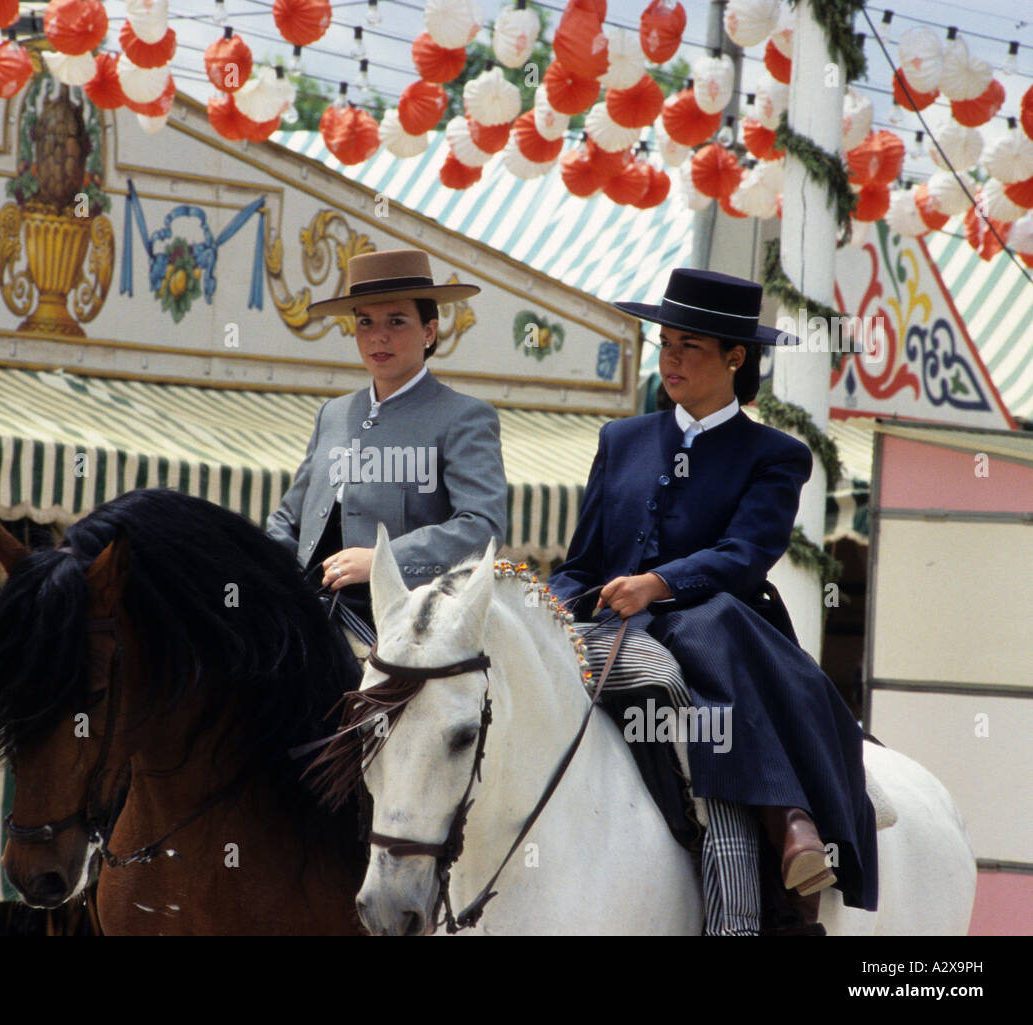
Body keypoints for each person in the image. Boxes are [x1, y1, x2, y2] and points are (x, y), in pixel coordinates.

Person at [549, 268, 878, 936]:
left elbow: (743, 555)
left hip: (719, 634)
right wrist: (540, 606)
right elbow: (581, 564)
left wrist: (657, 584)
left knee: (712, 620)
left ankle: (782, 831)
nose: (669, 358)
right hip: (613, 632)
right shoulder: (621, 441)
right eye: (664, 343)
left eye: (688, 347)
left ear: (736, 357)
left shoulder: (776, 454)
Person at [267, 249, 508, 639]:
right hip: (308, 609)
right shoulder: (333, 413)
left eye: (396, 321)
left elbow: (483, 526)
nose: (378, 336)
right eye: (365, 322)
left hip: (406, 618)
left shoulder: (464, 416)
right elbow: (288, 519)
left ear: (429, 332)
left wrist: (383, 560)